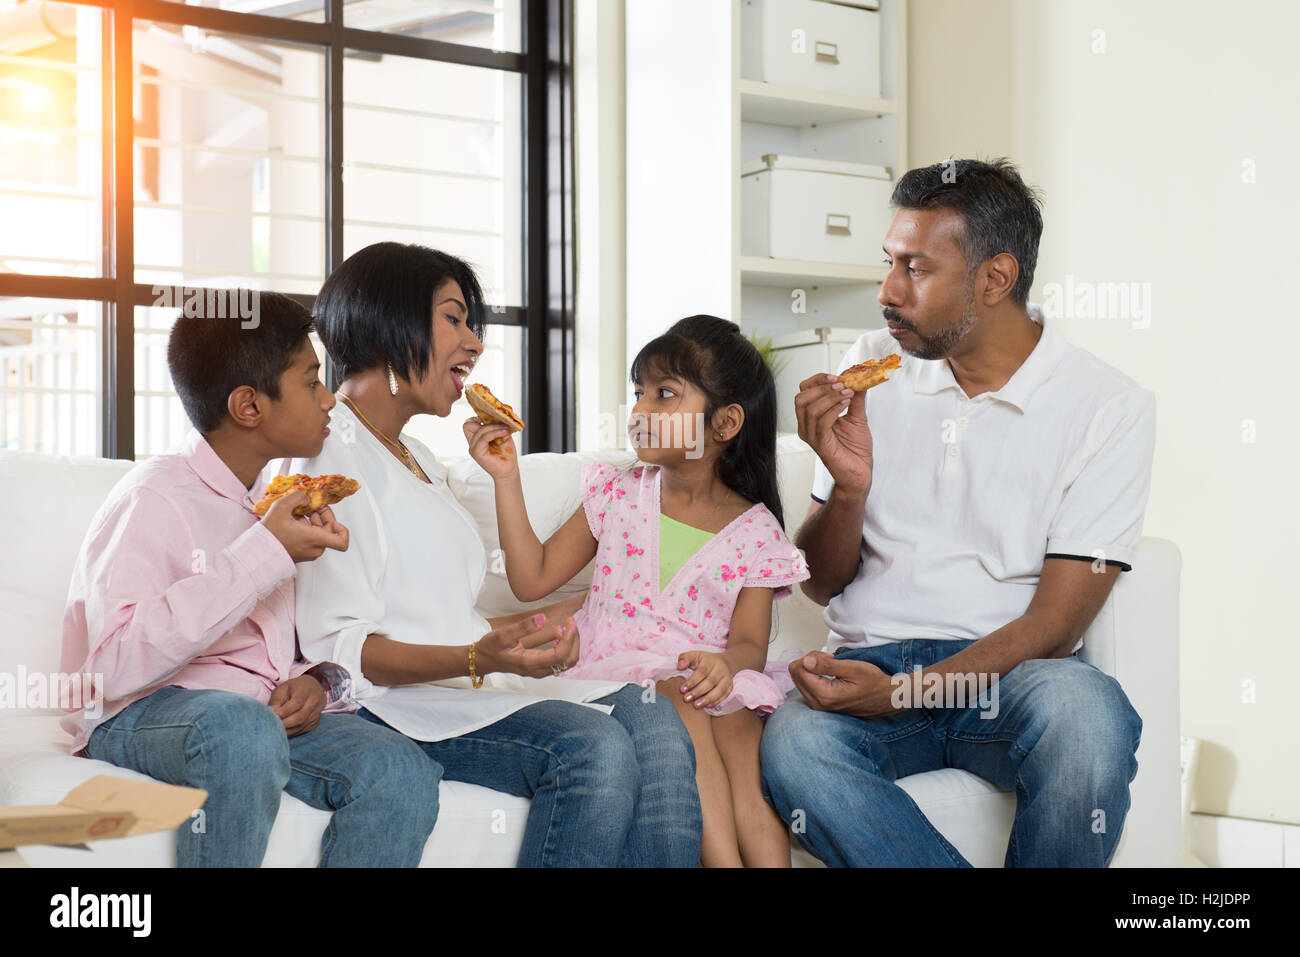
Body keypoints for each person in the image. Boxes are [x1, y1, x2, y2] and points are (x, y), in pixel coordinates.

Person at [761, 158, 1155, 867]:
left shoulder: (1107, 406)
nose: (886, 291)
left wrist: (908, 692)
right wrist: (848, 487)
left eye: (915, 268)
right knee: (795, 748)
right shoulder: (870, 365)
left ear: (994, 279)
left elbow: (1055, 623)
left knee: (1089, 715)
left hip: (1011, 678)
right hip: (867, 659)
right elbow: (821, 582)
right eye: (889, 262)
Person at [286, 242, 702, 867]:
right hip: (392, 706)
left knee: (654, 715)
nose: (475, 343)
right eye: (453, 319)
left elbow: (453, 618)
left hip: (463, 679)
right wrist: (480, 657)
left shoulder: (418, 458)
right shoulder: (330, 452)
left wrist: (564, 622)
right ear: (386, 324)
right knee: (592, 748)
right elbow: (339, 651)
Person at [59, 291, 440, 867]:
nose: (329, 399)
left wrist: (317, 682)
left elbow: (279, 649)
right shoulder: (153, 496)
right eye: (311, 382)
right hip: (139, 713)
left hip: (257, 714)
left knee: (400, 768)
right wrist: (265, 552)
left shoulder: (274, 499)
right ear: (248, 406)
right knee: (241, 730)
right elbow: (111, 667)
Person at [469, 315, 809, 868]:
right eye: (638, 393)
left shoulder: (757, 531)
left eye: (664, 395)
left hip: (709, 673)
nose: (640, 411)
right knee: (687, 707)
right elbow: (530, 579)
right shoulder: (615, 493)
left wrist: (725, 666)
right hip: (622, 670)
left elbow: (750, 644)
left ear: (724, 423)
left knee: (743, 735)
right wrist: (506, 478)